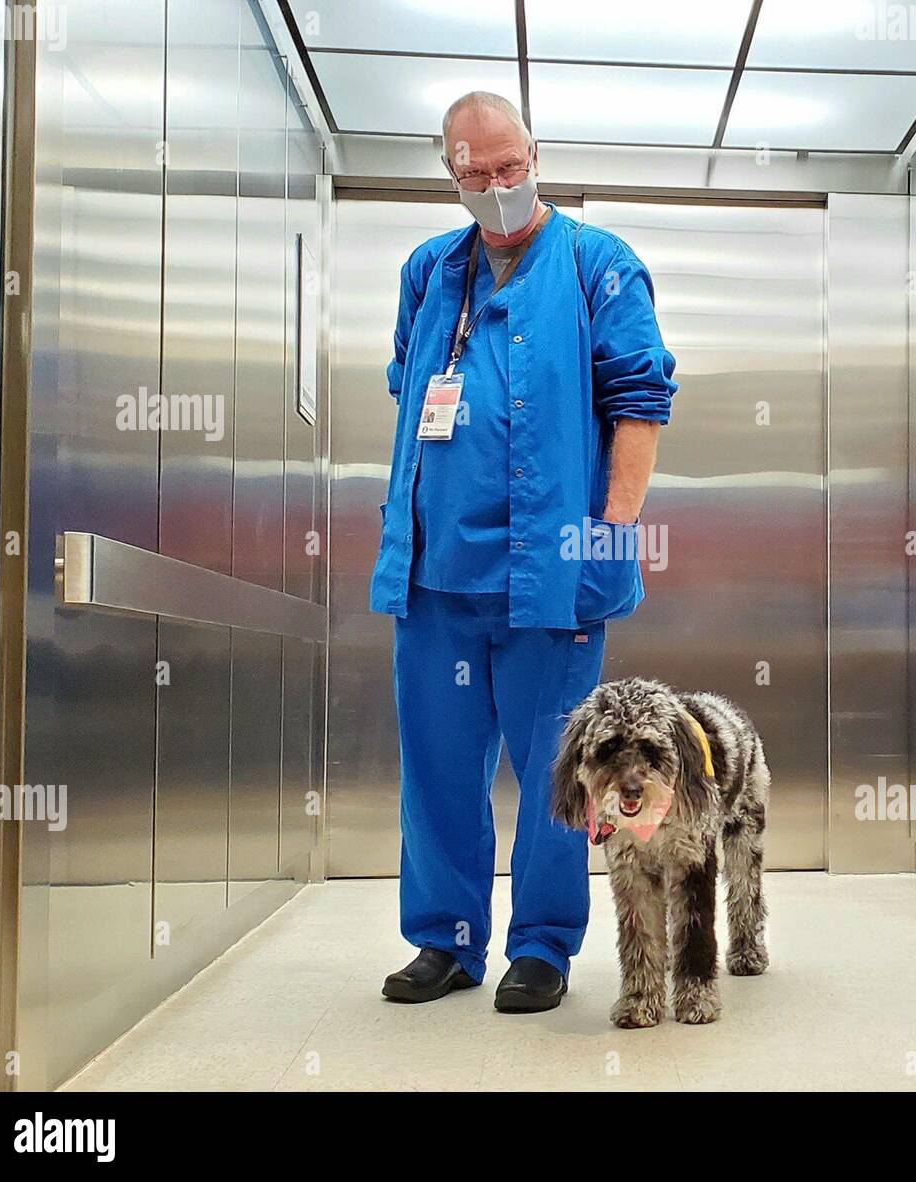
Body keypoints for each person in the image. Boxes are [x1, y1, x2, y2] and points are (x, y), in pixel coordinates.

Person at [371, 91, 678, 1013]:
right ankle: (448, 941)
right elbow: (407, 383)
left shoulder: (599, 265)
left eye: (512, 168)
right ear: (451, 175)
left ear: (535, 156)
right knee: (435, 766)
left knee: (561, 771)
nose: (499, 187)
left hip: (553, 576)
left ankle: (542, 945)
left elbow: (640, 401)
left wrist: (609, 532)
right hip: (435, 573)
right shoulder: (429, 271)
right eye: (477, 173)